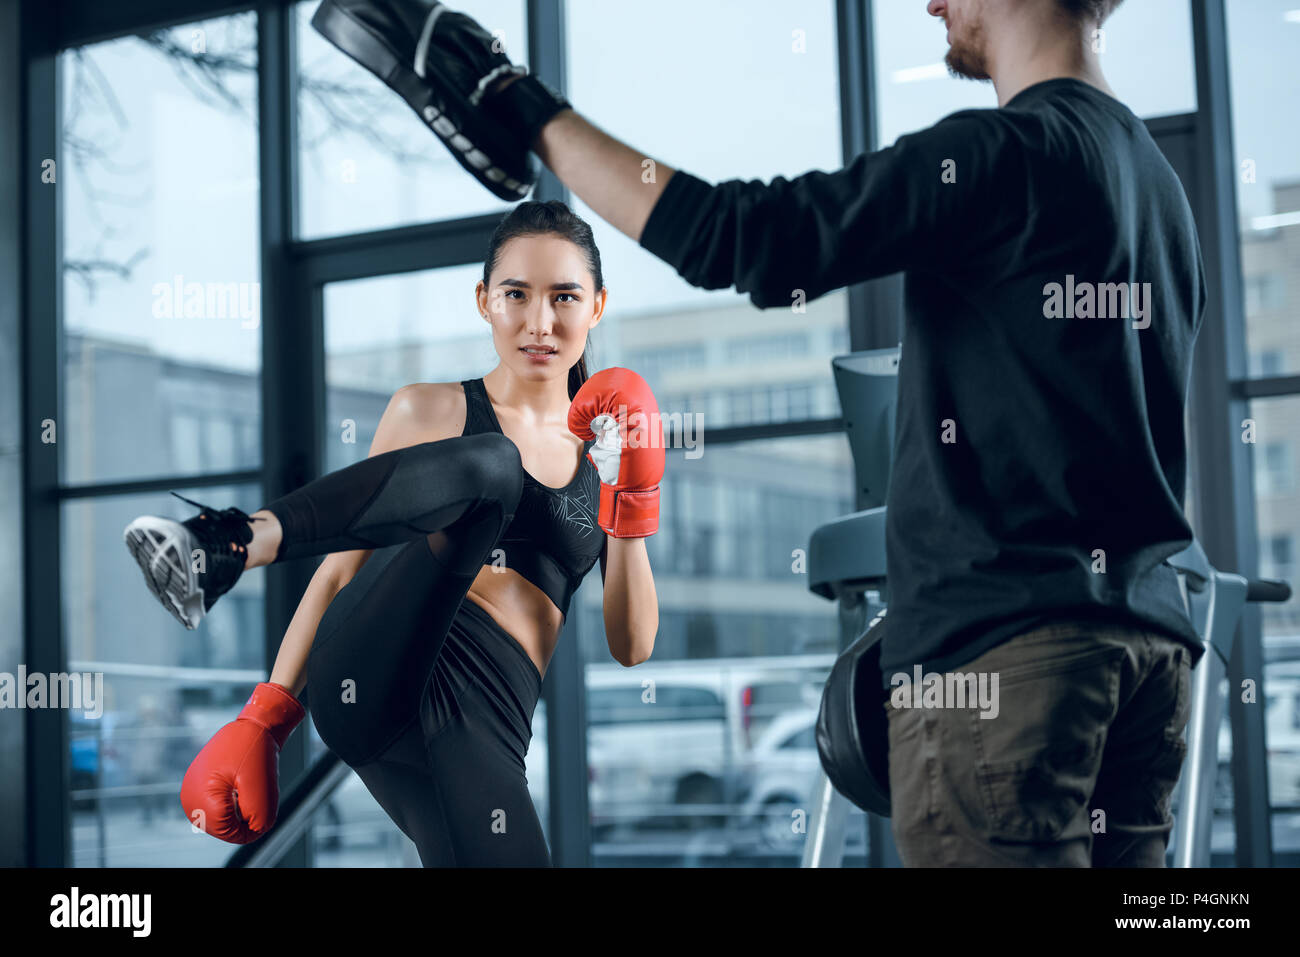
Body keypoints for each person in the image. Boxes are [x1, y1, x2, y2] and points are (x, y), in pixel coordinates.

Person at [310, 0, 1208, 866]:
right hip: (1150, 658)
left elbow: (743, 235)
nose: (935, 4)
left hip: (1016, 663)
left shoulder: (1003, 153)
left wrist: (519, 102)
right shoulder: (1161, 189)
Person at [123, 201, 662, 865]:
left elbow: (632, 646)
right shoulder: (429, 409)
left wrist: (630, 496)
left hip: (484, 724)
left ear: (598, 306)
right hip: (380, 664)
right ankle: (230, 543)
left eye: (565, 297)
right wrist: (266, 715)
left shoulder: (608, 450)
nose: (539, 322)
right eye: (516, 294)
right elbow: (341, 570)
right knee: (496, 464)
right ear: (484, 300)